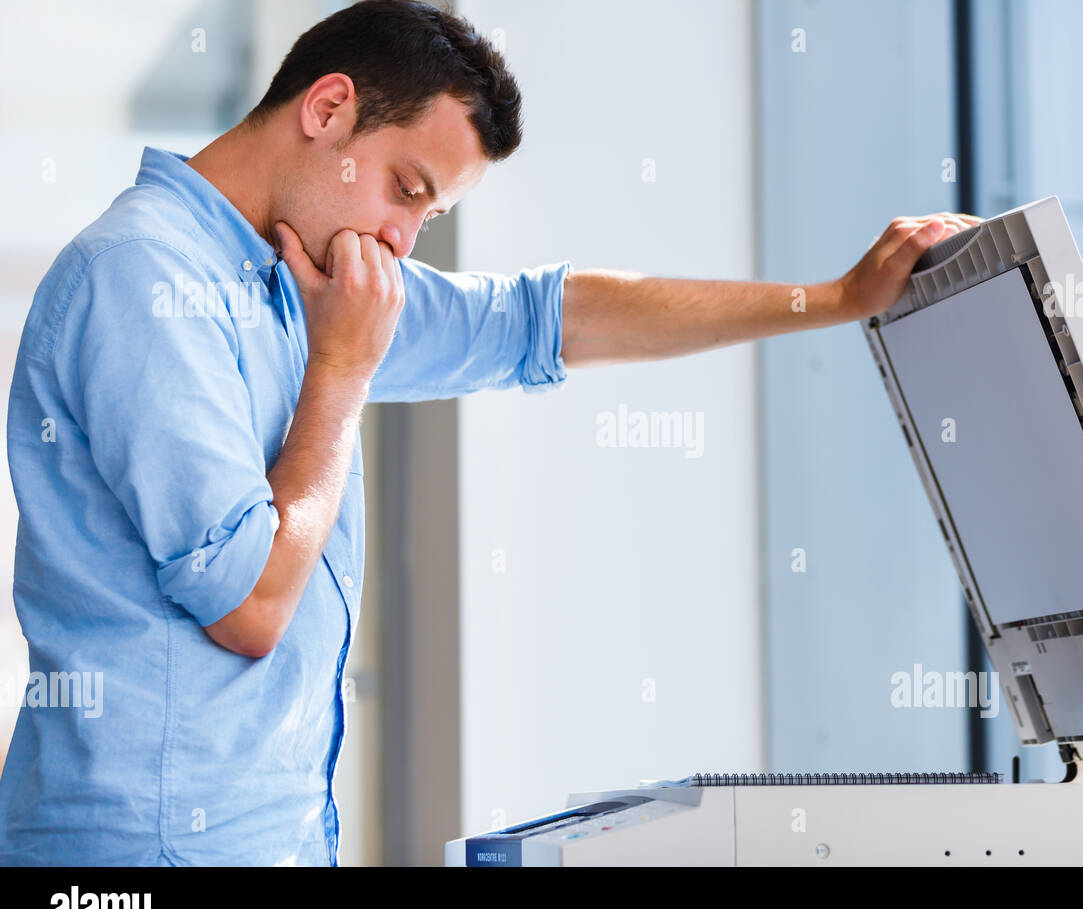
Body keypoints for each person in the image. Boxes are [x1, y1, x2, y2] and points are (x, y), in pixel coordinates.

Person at [0, 0, 974, 865]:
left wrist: (837, 298)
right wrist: (344, 367)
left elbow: (544, 319)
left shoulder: (302, 280)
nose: (402, 238)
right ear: (328, 109)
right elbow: (249, 604)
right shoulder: (140, 279)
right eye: (407, 189)